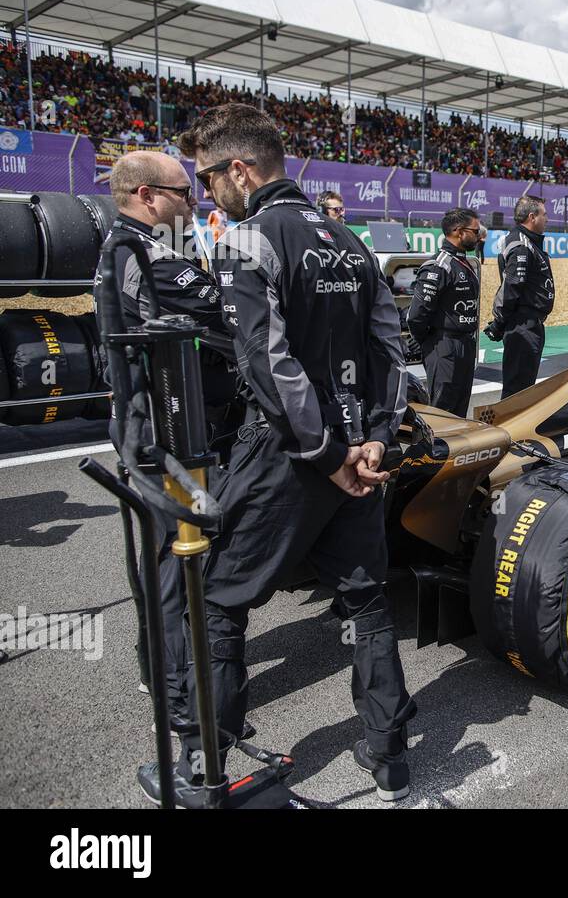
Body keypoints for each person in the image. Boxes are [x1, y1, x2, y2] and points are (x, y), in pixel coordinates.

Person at [167, 103, 416, 802]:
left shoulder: (248, 240)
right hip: (358, 457)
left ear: (241, 171)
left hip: (291, 454)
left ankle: (209, 759)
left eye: (210, 176)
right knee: (366, 603)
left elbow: (268, 363)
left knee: (218, 599)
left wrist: (329, 450)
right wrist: (373, 440)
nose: (207, 191)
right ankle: (390, 750)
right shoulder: (351, 240)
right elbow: (391, 355)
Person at [95, 150, 241, 730]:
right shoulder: (146, 256)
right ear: (147, 196)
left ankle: (165, 676)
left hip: (168, 426)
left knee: (175, 559)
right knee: (178, 564)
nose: (196, 201)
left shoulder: (138, 248)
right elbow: (228, 317)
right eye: (184, 193)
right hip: (169, 435)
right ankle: (181, 701)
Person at [406, 207, 482, 417]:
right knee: (441, 413)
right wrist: (430, 343)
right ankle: (432, 451)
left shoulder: (465, 263)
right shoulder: (439, 266)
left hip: (465, 345)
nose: (479, 236)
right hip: (444, 346)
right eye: (475, 231)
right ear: (459, 231)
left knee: (459, 412)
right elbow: (416, 315)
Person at [487, 195, 554, 398]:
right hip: (522, 326)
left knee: (524, 388)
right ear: (532, 217)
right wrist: (499, 323)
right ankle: (506, 428)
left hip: (529, 324)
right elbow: (511, 288)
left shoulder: (528, 242)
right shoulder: (521, 245)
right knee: (517, 391)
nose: (547, 219)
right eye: (544, 214)